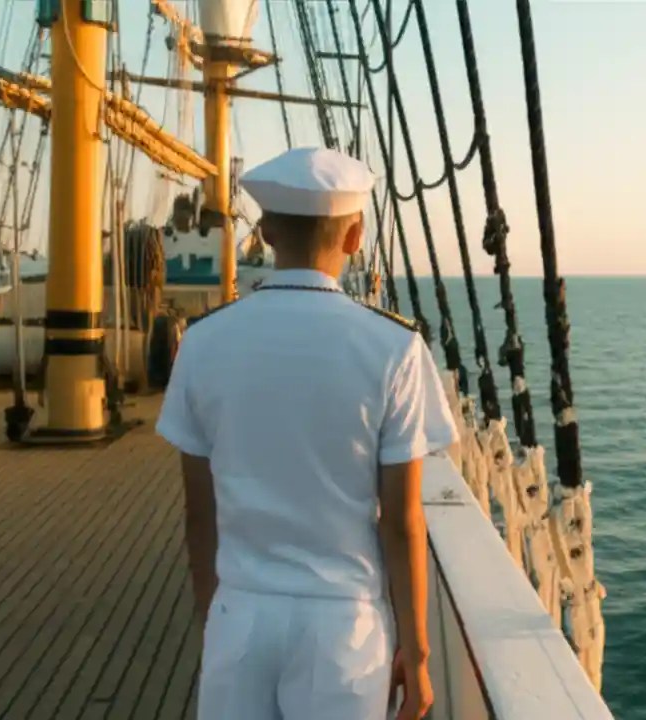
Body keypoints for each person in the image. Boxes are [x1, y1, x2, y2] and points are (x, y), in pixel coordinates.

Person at [156, 146, 458, 720]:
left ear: (265, 231)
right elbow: (401, 522)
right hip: (344, 629)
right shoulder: (393, 348)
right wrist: (416, 655)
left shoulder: (203, 342)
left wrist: (215, 620)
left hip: (239, 615)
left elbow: (200, 514)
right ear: (354, 237)